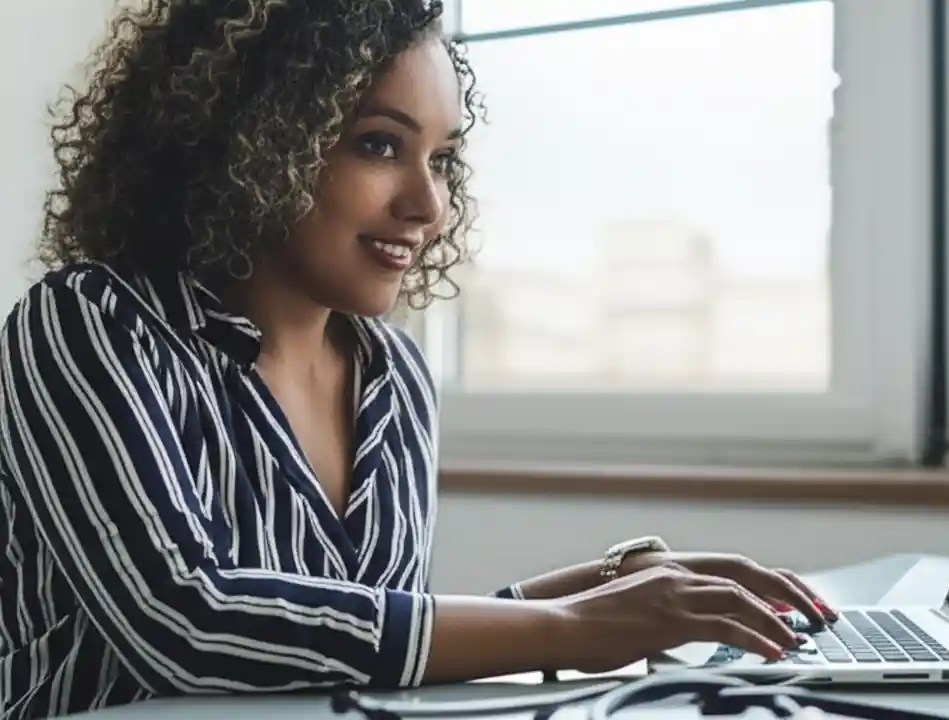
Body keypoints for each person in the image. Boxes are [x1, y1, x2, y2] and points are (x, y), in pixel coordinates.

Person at [0, 2, 838, 718]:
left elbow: (360, 641)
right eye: (378, 145)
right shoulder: (91, 324)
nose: (427, 204)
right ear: (248, 142)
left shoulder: (394, 380)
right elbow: (188, 627)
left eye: (441, 158)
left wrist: (621, 592)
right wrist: (580, 627)